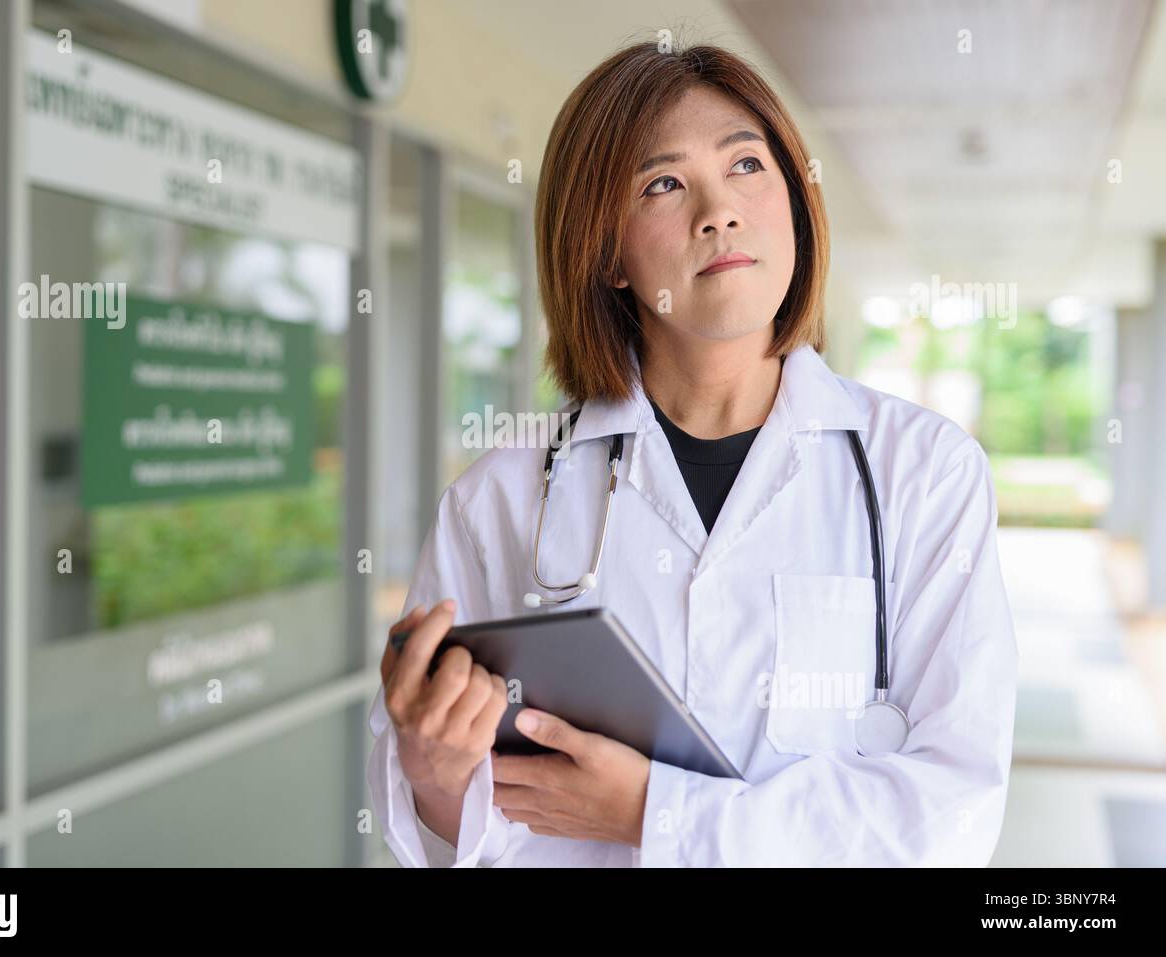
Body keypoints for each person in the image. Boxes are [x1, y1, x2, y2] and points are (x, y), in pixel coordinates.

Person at [367, 40, 1018, 867]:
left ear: (794, 199)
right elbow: (457, 826)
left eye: (747, 164)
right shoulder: (501, 498)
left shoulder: (924, 474)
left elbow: (951, 819)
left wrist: (655, 811)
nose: (720, 210)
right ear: (607, 255)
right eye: (664, 183)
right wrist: (433, 769)